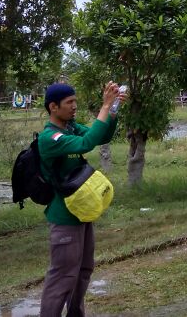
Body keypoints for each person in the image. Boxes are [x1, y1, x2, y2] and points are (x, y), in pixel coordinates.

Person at [38, 81, 123, 317]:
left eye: (75, 101)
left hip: (81, 210)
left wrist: (113, 109)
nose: (74, 106)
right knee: (63, 276)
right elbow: (87, 143)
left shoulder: (71, 128)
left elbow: (101, 136)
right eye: (69, 103)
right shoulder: (50, 137)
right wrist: (104, 106)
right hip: (64, 216)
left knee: (84, 269)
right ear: (53, 107)